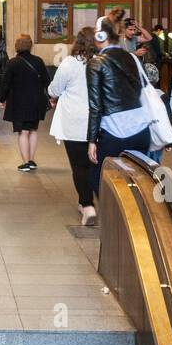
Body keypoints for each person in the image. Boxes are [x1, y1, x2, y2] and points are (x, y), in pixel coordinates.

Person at [86, 19, 150, 194]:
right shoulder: (131, 57)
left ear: (100, 35)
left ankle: (118, 219)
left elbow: (95, 106)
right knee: (137, 180)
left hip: (114, 131)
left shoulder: (95, 63)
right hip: (141, 129)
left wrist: (91, 141)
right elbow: (142, 88)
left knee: (98, 180)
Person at [48, 27, 98, 226]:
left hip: (74, 124)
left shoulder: (69, 63)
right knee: (95, 165)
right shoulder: (102, 63)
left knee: (79, 166)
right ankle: (90, 200)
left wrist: (53, 97)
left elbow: (55, 89)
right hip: (99, 123)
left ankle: (87, 206)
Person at [0, 34, 50, 172]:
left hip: (19, 103)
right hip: (36, 102)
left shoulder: (13, 63)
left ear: (17, 46)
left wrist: (1, 99)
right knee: (33, 130)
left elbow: (6, 84)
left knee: (23, 132)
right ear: (30, 45)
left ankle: (26, 162)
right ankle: (32, 160)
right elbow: (47, 81)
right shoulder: (38, 61)